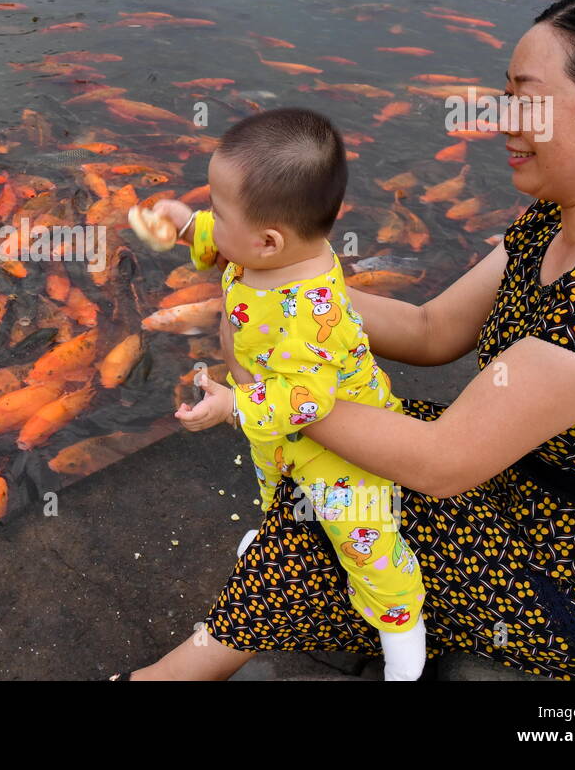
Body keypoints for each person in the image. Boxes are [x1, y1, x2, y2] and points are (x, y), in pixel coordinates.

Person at [124, 0, 575, 681]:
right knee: (341, 476)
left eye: (527, 100)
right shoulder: (561, 216)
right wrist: (286, 289)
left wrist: (268, 390)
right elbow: (432, 330)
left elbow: (441, 463)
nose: (501, 119)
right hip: (519, 487)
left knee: (335, 501)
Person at [124, 108, 428, 680]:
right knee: (277, 488)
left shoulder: (310, 308)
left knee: (364, 537)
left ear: (268, 240)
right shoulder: (279, 249)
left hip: (339, 446)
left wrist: (233, 404)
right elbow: (231, 240)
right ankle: (279, 538)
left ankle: (401, 628)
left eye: (217, 211)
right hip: (277, 423)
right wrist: (190, 226)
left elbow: (310, 399)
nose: (212, 219)